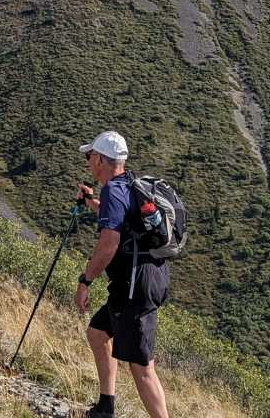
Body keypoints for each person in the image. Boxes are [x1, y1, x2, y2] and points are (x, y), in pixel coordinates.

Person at [73, 130, 170, 418]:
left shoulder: (113, 190)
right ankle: (106, 406)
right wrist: (92, 204)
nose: (89, 161)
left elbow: (108, 244)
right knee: (98, 333)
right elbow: (122, 220)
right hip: (143, 279)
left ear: (101, 159)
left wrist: (84, 281)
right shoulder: (127, 185)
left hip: (134, 286)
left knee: (142, 367)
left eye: (90, 156)